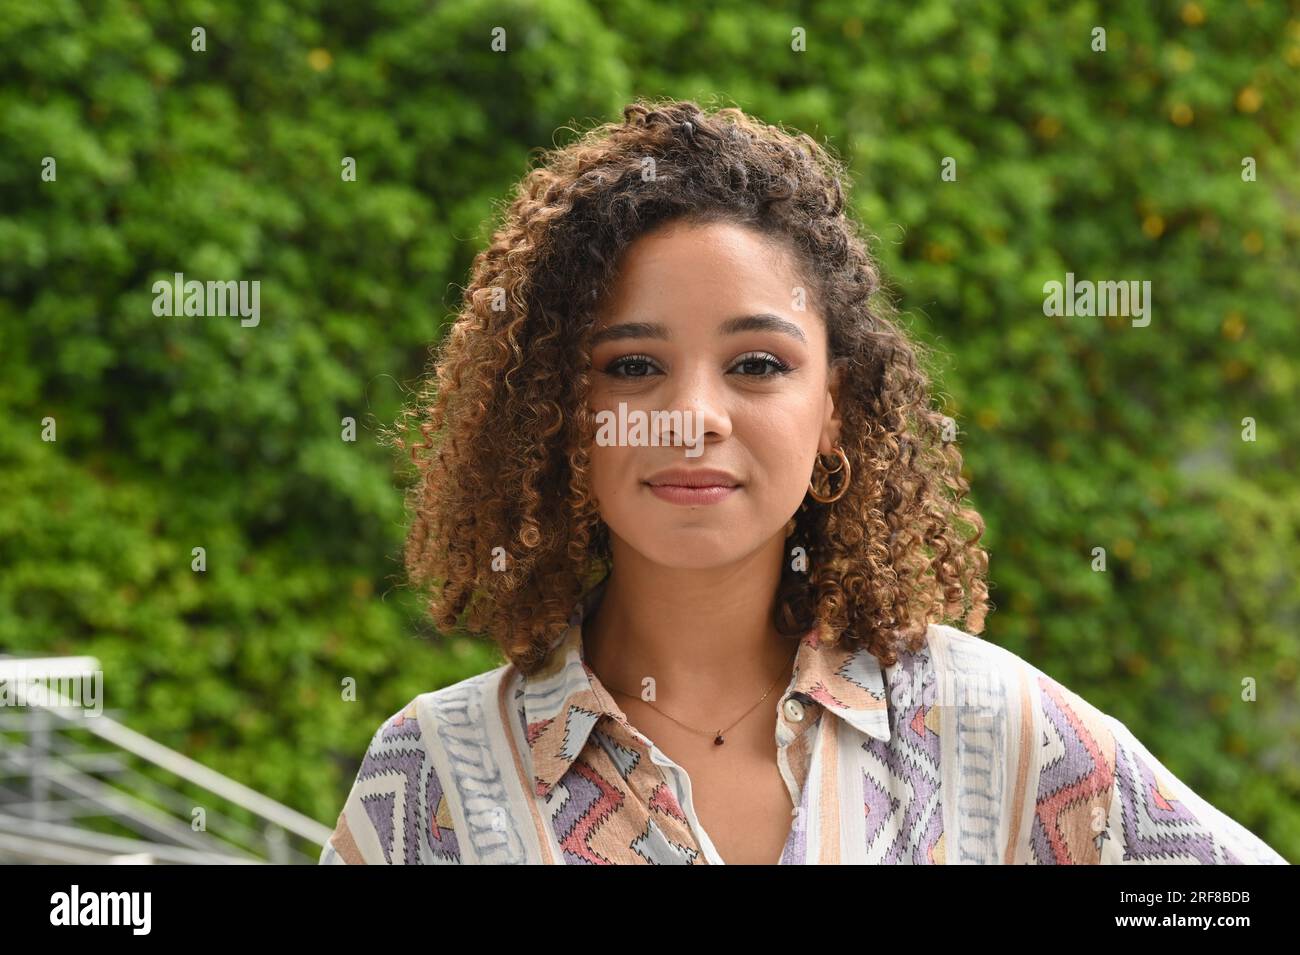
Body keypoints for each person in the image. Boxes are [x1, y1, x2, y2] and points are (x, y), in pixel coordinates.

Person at [319, 98, 1288, 865]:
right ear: (563, 414)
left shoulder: (992, 731)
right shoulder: (435, 783)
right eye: (629, 365)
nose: (694, 413)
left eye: (755, 365)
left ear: (832, 412)